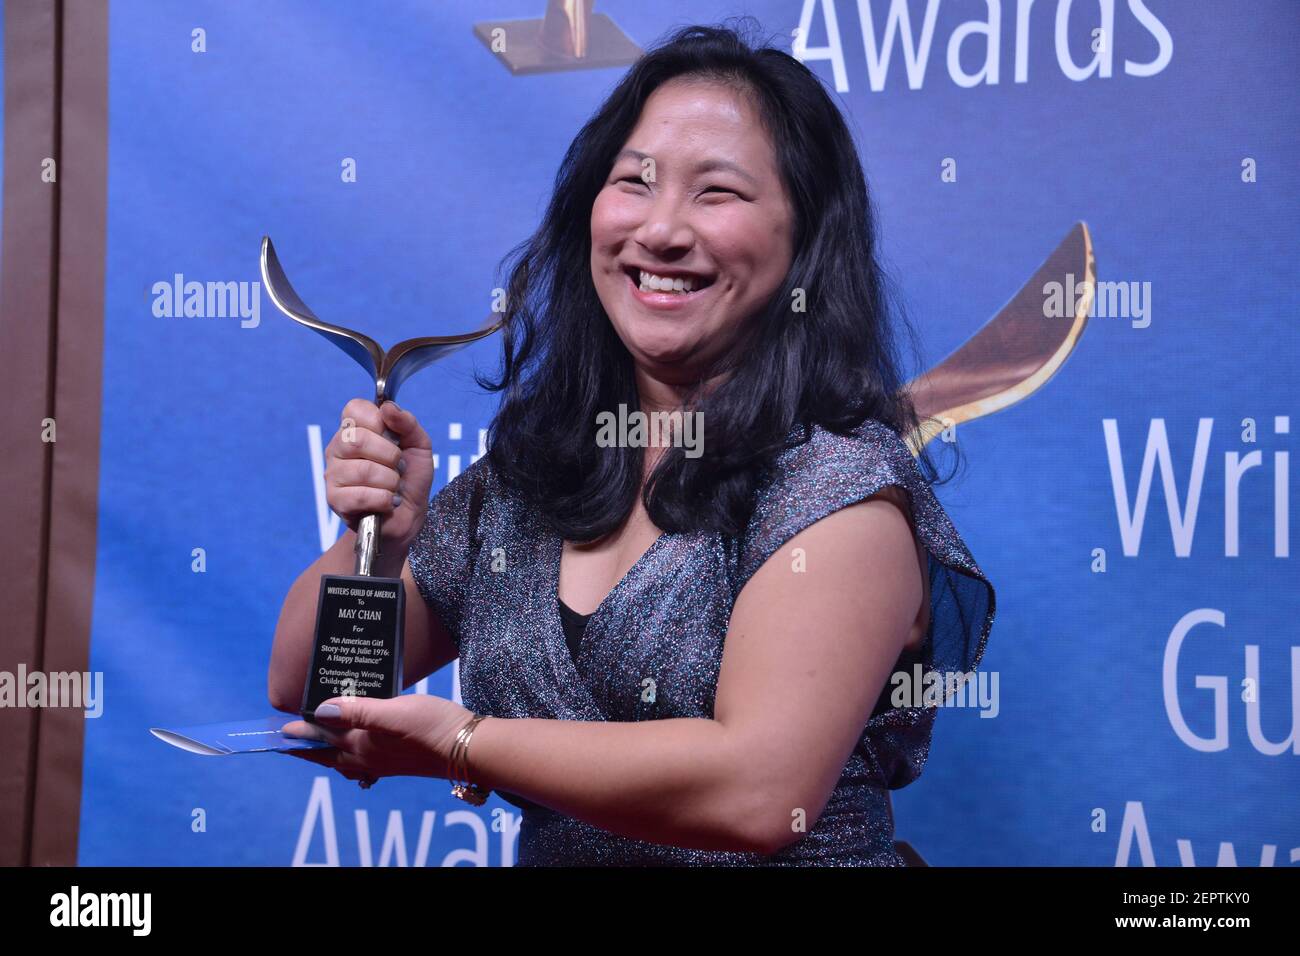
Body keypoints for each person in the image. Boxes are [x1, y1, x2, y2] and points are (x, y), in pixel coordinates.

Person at [269, 20, 995, 866]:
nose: (660, 230)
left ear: (805, 240)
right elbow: (312, 689)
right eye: (633, 183)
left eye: (717, 193)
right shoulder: (527, 478)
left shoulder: (840, 486)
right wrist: (381, 549)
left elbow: (758, 794)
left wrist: (464, 742)